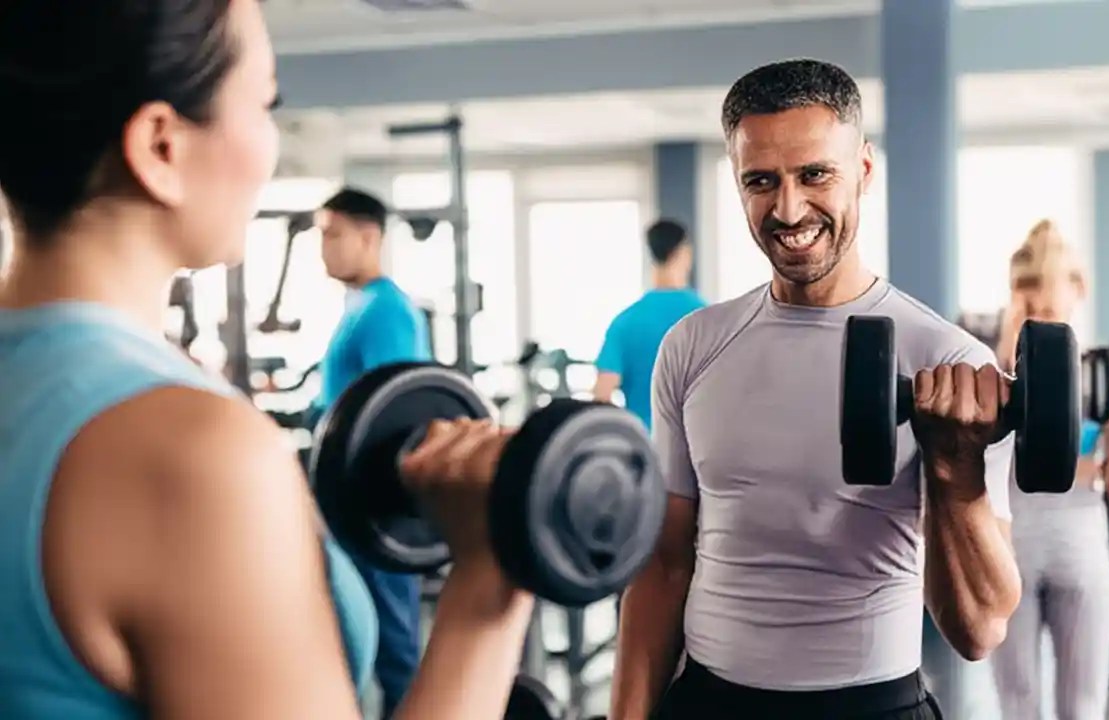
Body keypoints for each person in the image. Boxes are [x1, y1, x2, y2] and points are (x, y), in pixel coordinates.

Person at [0, 2, 533, 718]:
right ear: (161, 146)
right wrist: (491, 576)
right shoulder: (190, 454)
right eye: (264, 103)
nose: (270, 142)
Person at [609, 58, 1021, 720]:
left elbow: (979, 630)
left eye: (814, 174)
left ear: (864, 169)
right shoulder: (693, 345)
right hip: (709, 703)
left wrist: (954, 468)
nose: (788, 209)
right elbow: (662, 568)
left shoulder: (948, 362)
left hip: (874, 707)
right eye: (761, 181)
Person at [987, 220, 1109, 720]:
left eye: (1049, 298)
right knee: (1018, 705)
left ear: (1078, 289)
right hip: (1012, 546)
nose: (1040, 308)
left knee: (1082, 709)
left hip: (1080, 546)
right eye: (1029, 299)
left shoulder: (1101, 372)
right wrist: (1010, 345)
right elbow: (989, 448)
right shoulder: (995, 371)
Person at [314, 187, 433, 717]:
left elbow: (394, 413)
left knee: (395, 651)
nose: (324, 247)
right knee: (360, 639)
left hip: (374, 503)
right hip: (349, 500)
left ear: (369, 237)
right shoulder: (360, 305)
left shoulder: (386, 311)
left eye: (332, 234)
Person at [592, 219, 706, 428]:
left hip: (643, 442)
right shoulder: (708, 318)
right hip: (696, 441)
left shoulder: (625, 322)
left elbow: (602, 395)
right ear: (684, 253)